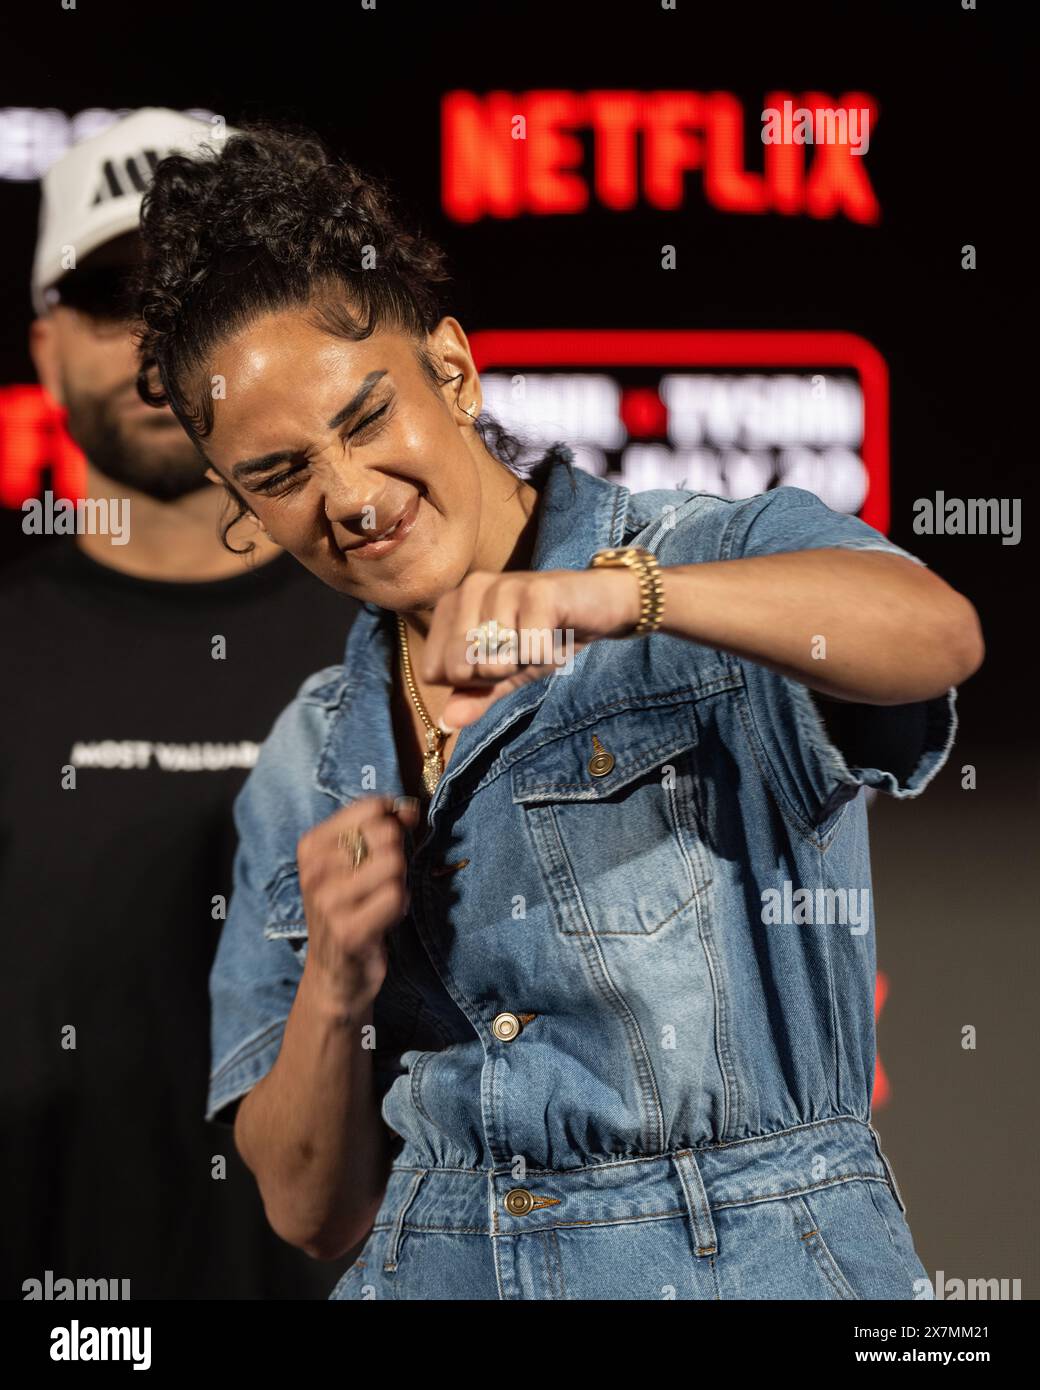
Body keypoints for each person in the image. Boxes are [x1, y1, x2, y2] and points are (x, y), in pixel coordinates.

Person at [132, 120, 984, 1300]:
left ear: (453, 368)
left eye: (366, 417)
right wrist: (334, 974)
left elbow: (935, 633)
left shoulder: (699, 562)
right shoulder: (310, 753)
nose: (350, 497)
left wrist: (605, 599)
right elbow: (308, 1209)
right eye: (278, 478)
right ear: (239, 504)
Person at [0, 109, 361, 1300]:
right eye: (112, 299)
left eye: (188, 295)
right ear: (47, 345)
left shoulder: (404, 636)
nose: (154, 348)